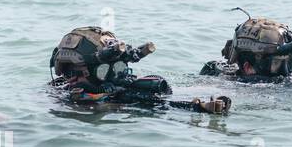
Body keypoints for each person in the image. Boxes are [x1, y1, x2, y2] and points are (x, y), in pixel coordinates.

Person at [50, 27, 230, 113]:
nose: (116, 75)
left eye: (119, 67)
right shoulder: (63, 93)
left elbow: (164, 104)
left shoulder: (122, 93)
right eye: (105, 71)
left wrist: (200, 107)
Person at [200, 9, 292, 81]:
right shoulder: (227, 85)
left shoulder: (283, 82)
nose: (284, 73)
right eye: (275, 64)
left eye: (289, 63)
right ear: (247, 67)